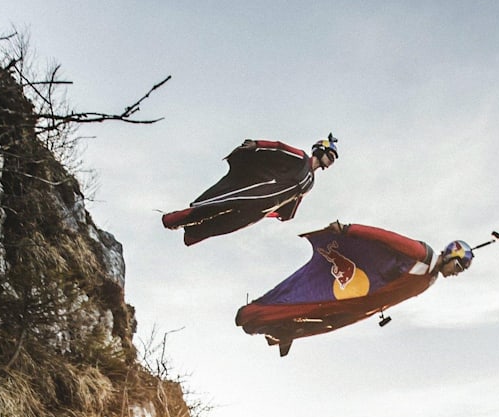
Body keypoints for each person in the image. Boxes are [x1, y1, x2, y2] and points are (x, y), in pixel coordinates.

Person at [235, 222, 475, 356]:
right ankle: (253, 313)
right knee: (307, 297)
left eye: (461, 270)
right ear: (450, 254)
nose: (456, 272)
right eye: (458, 266)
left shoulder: (430, 278)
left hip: (365, 305)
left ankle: (279, 332)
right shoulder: (422, 254)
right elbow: (386, 237)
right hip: (356, 289)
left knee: (326, 323)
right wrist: (349, 230)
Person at [162, 135, 338, 246]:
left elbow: (295, 200)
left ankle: (193, 234)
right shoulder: (301, 158)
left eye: (333, 159)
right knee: (216, 205)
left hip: (263, 208)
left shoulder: (310, 183)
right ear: (320, 150)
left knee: (229, 225)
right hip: (258, 190)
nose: (331, 161)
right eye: (330, 155)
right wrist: (257, 144)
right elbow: (279, 148)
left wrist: (287, 215)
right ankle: (174, 219)